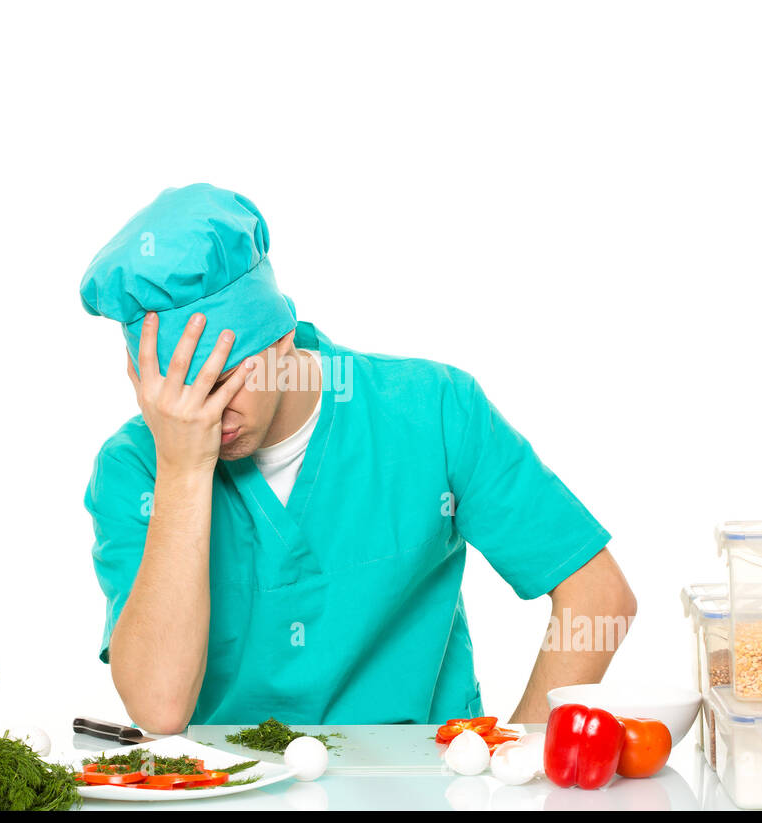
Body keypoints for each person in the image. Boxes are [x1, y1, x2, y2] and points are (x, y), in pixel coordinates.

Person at [80, 183, 636, 734]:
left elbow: (598, 596)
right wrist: (182, 470)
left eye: (223, 381)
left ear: (280, 337)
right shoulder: (135, 469)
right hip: (231, 789)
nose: (204, 414)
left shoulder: (433, 409)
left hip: (425, 787)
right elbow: (158, 709)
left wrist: (524, 757)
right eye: (176, 395)